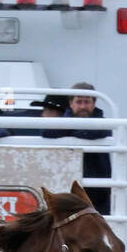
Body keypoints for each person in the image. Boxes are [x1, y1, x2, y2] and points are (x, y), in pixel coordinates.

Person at [42, 82, 112, 215]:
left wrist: (69, 130)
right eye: (79, 102)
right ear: (71, 103)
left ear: (93, 104)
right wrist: (80, 131)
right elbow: (48, 133)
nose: (83, 106)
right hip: (67, 191)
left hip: (98, 192)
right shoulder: (61, 121)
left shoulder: (103, 123)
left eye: (87, 102)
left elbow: (98, 133)